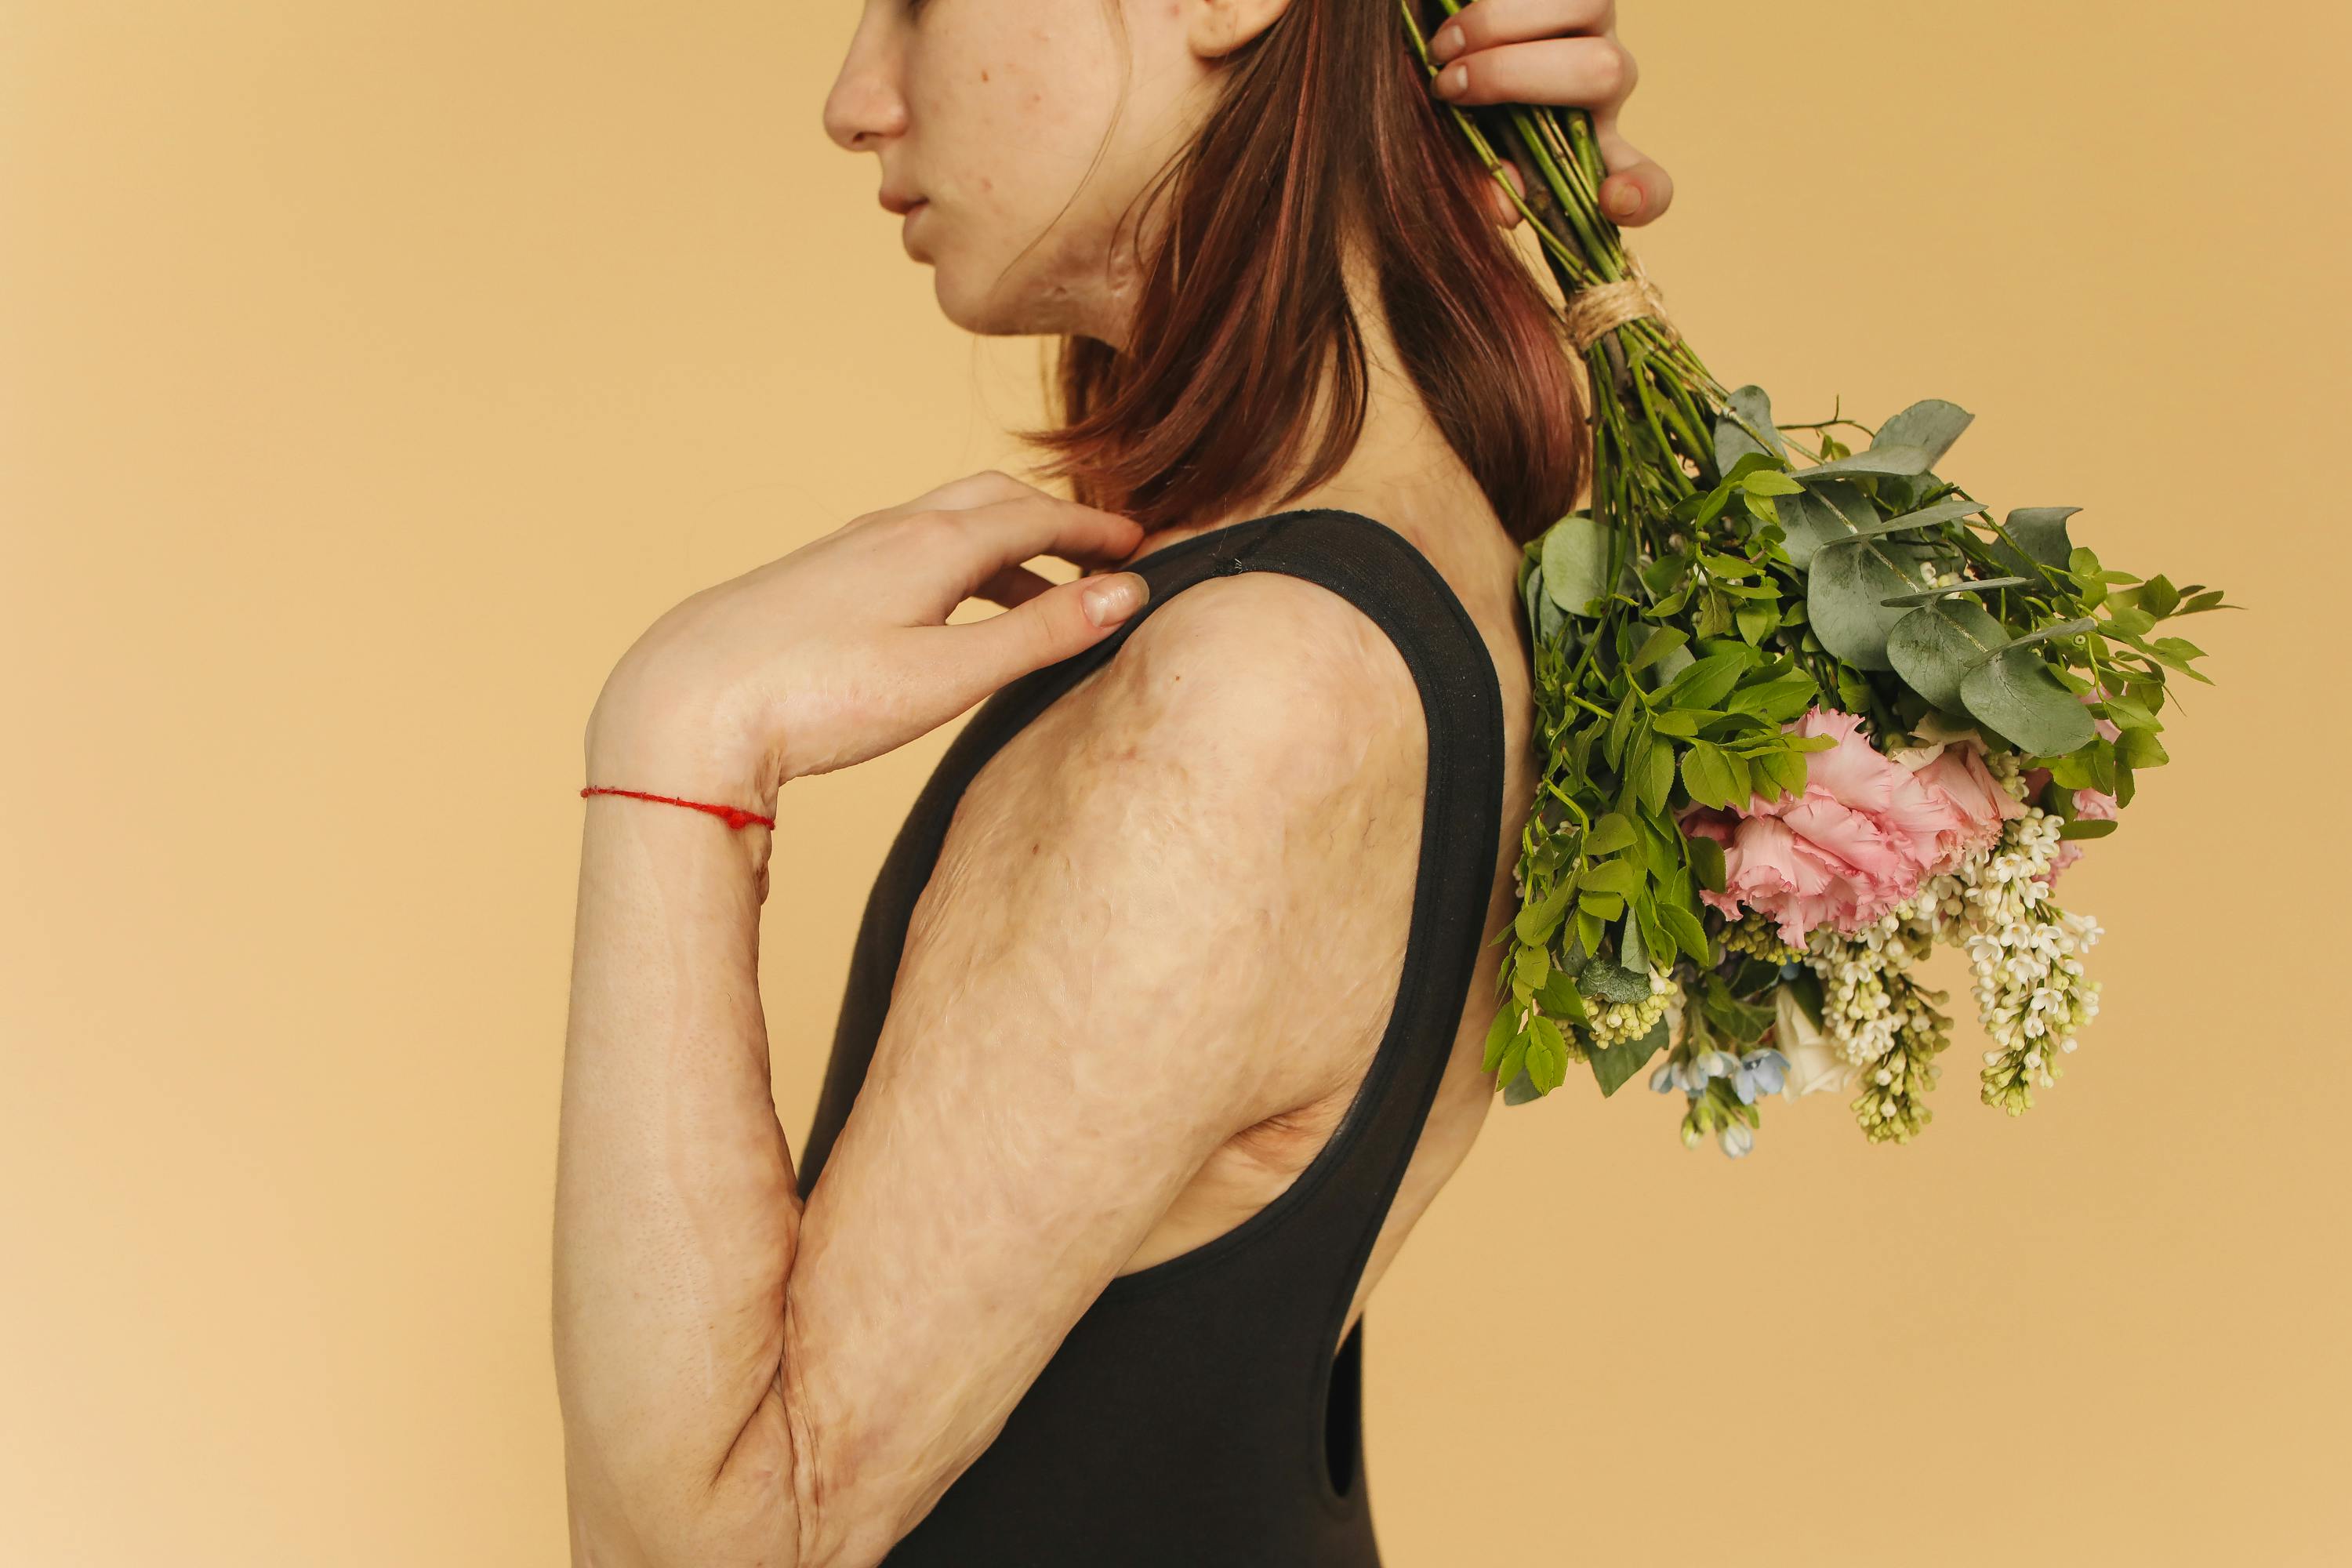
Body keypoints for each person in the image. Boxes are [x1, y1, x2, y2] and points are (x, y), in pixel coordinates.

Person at [551, 2, 1676, 1563]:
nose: (856, 99)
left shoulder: (1256, 693)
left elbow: (718, 1546)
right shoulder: (1460, 553)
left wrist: (673, 745)